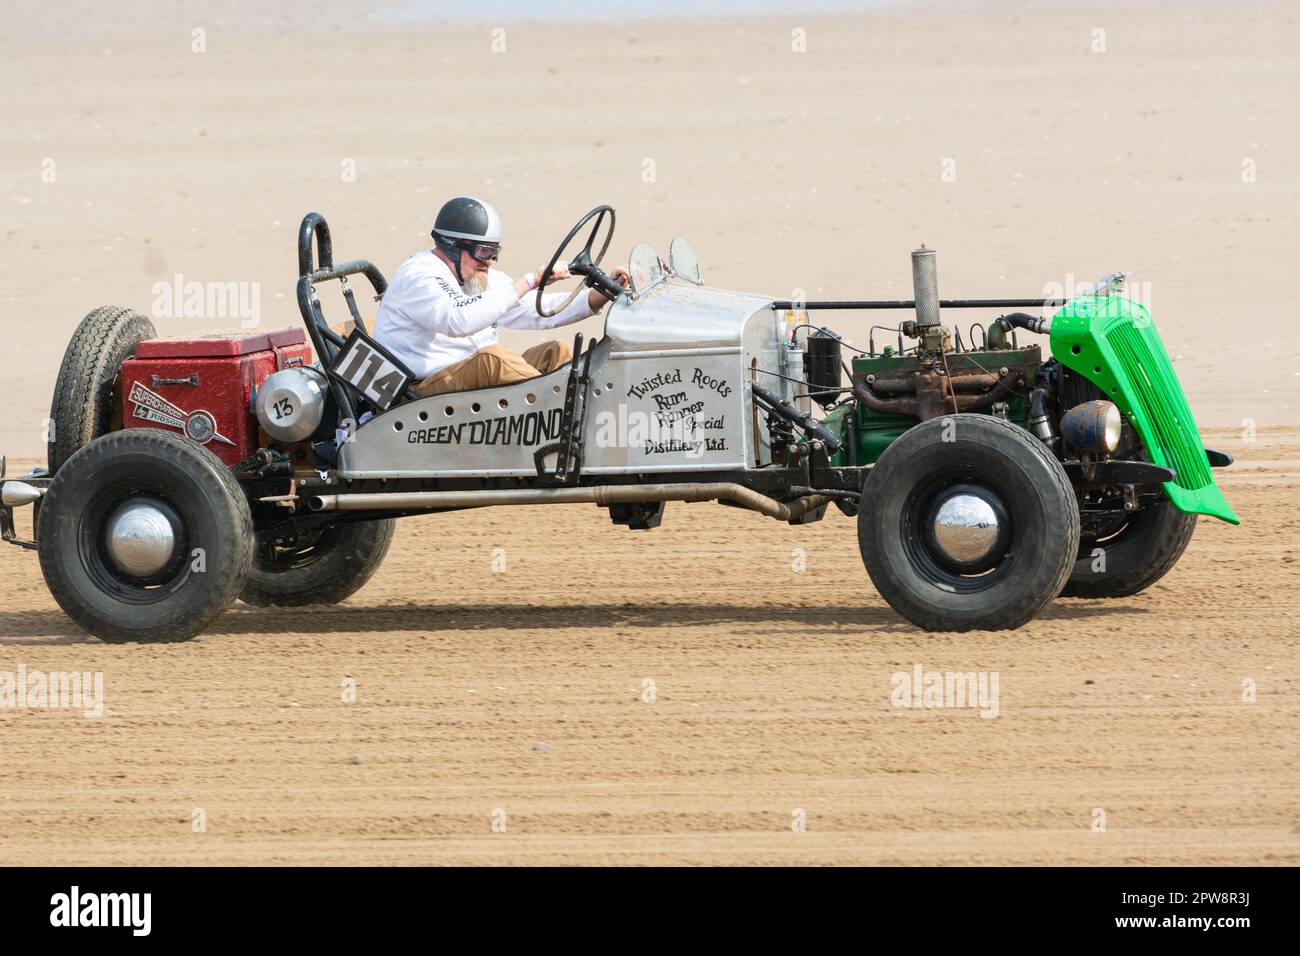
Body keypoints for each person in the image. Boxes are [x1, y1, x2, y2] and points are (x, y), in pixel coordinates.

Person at [373, 196, 628, 397]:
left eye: (494, 253)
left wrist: (602, 293)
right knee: (493, 360)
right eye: (483, 252)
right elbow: (457, 320)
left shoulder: (477, 274)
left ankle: (598, 404)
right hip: (421, 389)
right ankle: (561, 410)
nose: (490, 262)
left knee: (556, 353)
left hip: (469, 377)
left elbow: (539, 311)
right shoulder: (419, 275)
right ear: (453, 245)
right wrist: (530, 281)